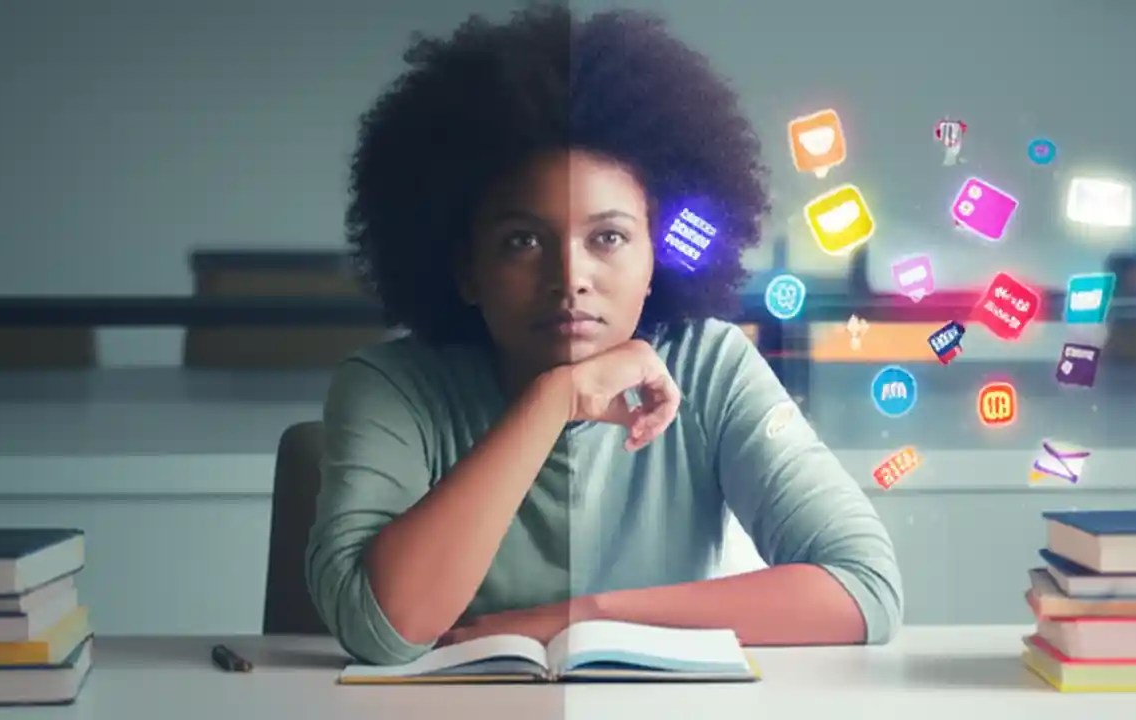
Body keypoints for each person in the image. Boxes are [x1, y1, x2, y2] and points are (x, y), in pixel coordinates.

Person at [305, 2, 903, 666]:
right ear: (465, 268)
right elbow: (382, 631)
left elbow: (864, 588)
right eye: (522, 240)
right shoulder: (392, 389)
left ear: (654, 262)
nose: (570, 276)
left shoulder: (710, 367)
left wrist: (582, 620)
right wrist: (555, 398)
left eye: (609, 237)